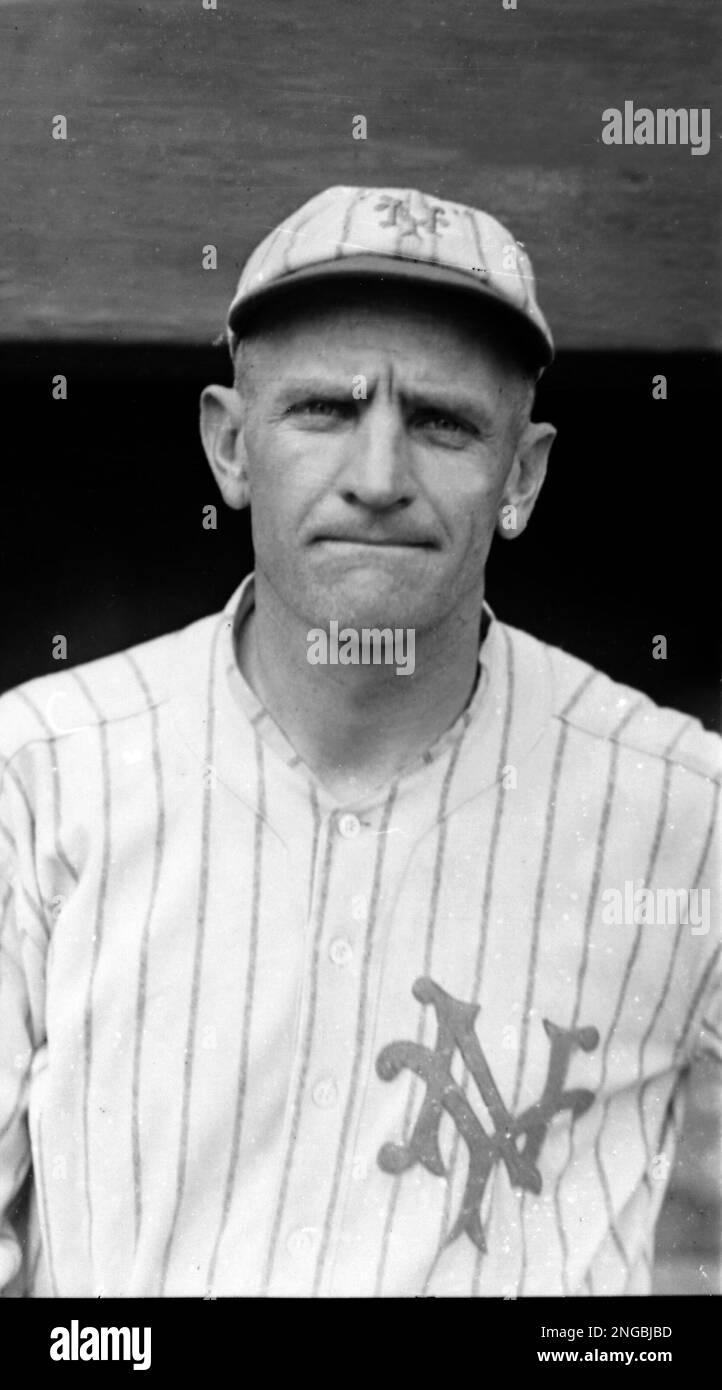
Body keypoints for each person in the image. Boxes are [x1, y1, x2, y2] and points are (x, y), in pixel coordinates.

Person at [0, 185, 719, 1299]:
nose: (378, 477)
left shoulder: (685, 809)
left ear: (520, 474)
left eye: (441, 422)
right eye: (326, 410)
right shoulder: (39, 771)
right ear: (231, 447)